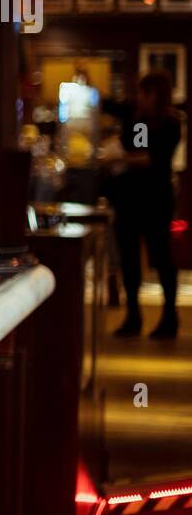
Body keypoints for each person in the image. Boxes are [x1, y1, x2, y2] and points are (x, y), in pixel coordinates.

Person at [102, 70, 182, 339]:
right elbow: (137, 149)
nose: (139, 98)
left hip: (154, 199)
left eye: (144, 93)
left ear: (154, 95)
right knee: (130, 259)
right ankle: (134, 315)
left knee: (160, 257)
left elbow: (149, 158)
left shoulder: (169, 123)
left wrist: (117, 160)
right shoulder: (139, 119)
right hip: (132, 198)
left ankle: (169, 315)